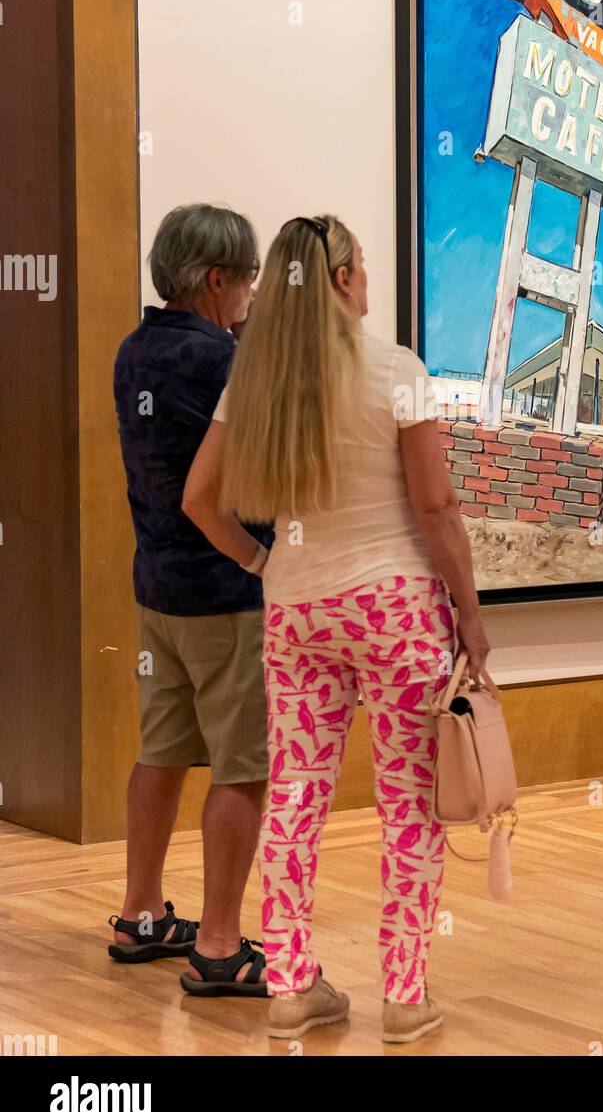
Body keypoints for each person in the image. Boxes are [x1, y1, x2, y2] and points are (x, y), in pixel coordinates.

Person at [182, 214, 490, 1043]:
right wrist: (470, 616)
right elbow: (437, 508)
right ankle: (404, 994)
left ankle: (289, 987)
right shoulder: (397, 370)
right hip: (396, 610)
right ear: (347, 277)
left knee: (297, 796)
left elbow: (198, 501)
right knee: (407, 806)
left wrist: (261, 564)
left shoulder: (254, 380)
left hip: (296, 610)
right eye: (362, 268)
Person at [111, 202, 272, 996]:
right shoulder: (228, 365)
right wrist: (263, 559)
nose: (253, 293)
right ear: (218, 280)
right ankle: (218, 943)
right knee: (242, 768)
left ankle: (141, 915)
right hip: (226, 596)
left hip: (156, 594)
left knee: (162, 751)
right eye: (248, 278)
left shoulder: (132, 351)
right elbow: (249, 484)